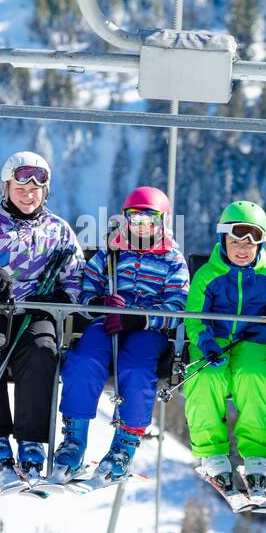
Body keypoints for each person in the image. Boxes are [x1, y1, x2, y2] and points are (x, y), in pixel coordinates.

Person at [0, 151, 84, 491]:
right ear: (6, 186)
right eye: (21, 186)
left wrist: (60, 301)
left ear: (45, 191)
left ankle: (31, 444)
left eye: (37, 187)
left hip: (36, 312)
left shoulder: (58, 231)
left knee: (42, 352)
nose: (28, 193)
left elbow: (76, 278)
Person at [54, 187, 189, 482]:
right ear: (125, 220)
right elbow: (86, 291)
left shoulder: (172, 261)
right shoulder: (110, 255)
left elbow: (178, 305)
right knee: (84, 359)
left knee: (137, 367)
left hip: (146, 330)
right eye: (135, 220)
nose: (141, 228)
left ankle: (124, 445)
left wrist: (140, 319)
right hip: (107, 323)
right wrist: (100, 305)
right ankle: (74, 440)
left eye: (149, 221)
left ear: (162, 223)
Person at [183, 200, 266, 493]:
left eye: (252, 241)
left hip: (253, 341)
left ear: (261, 243)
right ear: (223, 238)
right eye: (236, 240)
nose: (243, 249)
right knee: (205, 377)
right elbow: (194, 316)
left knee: (255, 377)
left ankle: (257, 457)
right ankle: (212, 453)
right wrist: (205, 341)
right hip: (214, 342)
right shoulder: (208, 275)